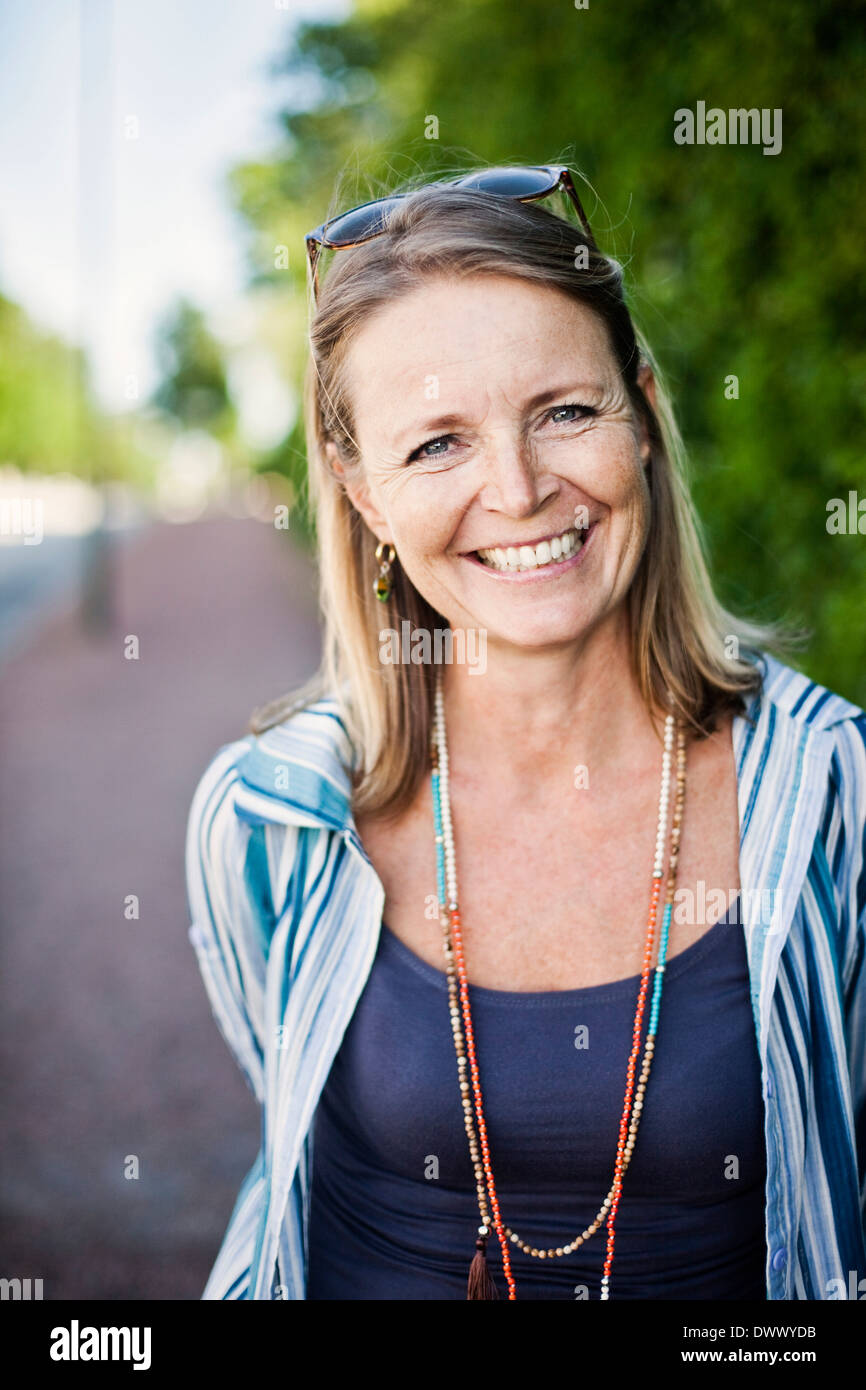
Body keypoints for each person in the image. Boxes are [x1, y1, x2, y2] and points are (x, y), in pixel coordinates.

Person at [185, 165, 866, 1301]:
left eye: (561, 411)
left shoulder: (834, 792)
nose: (516, 490)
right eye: (436, 444)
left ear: (641, 415)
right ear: (365, 500)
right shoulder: (271, 817)